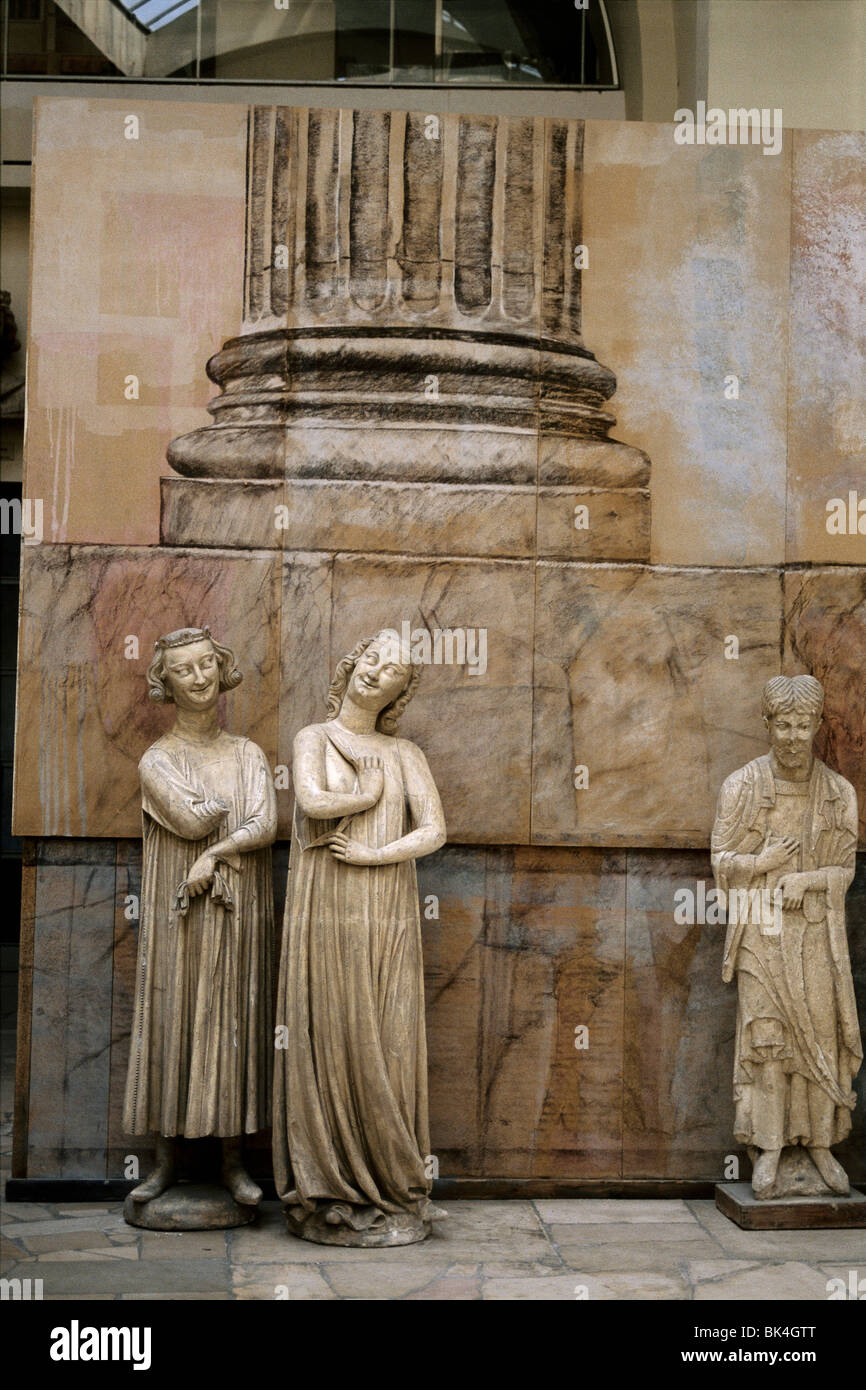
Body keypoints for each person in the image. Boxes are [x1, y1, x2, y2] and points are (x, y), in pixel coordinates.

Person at [273, 630, 447, 1243]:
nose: (377, 672)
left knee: (390, 1034)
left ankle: (394, 1180)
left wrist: (377, 855)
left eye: (393, 669)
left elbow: (434, 831)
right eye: (372, 659)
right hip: (329, 906)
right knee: (339, 1027)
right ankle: (332, 1181)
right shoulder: (314, 738)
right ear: (352, 665)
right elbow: (314, 801)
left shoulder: (407, 754)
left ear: (403, 690)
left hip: (388, 907)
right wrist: (365, 793)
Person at [123, 626, 277, 1208]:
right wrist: (218, 822)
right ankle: (165, 1165)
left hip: (236, 918)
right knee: (173, 1018)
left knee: (230, 1024)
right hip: (179, 918)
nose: (199, 676)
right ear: (165, 681)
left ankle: (234, 1163)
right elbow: (190, 819)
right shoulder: (158, 759)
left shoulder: (247, 753)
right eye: (184, 668)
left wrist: (216, 848)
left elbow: (264, 825)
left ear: (222, 668)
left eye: (208, 663)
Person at [711, 674, 861, 1199]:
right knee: (768, 1042)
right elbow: (721, 863)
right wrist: (763, 862)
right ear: (767, 724)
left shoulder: (839, 793)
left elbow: (845, 871)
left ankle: (821, 1145)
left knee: (817, 1039)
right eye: (784, 725)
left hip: (817, 938)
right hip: (760, 932)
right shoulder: (742, 786)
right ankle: (770, 1148)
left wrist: (806, 879)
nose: (794, 736)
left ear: (817, 726)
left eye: (803, 725)